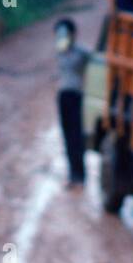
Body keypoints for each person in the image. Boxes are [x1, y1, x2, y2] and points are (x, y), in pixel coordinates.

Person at [54, 18, 90, 187]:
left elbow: (97, 61)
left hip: (76, 96)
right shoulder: (60, 51)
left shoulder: (82, 52)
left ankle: (81, 175)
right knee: (67, 137)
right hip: (63, 96)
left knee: (77, 137)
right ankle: (72, 174)